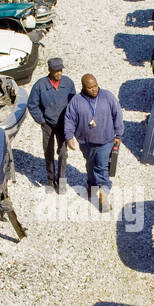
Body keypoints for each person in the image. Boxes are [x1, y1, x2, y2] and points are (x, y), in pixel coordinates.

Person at [64, 73, 123, 211]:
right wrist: (69, 137)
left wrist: (119, 134)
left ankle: (104, 192)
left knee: (102, 166)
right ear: (83, 87)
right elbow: (69, 119)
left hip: (105, 140)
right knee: (90, 165)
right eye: (90, 87)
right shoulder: (76, 101)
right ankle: (91, 186)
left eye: (95, 85)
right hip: (86, 142)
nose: (94, 89)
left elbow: (117, 114)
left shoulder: (107, 96)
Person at [27, 57, 76, 192]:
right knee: (48, 152)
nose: (59, 73)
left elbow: (73, 103)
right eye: (56, 71)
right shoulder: (40, 85)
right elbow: (32, 105)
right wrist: (42, 121)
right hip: (47, 124)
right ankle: (50, 180)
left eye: (60, 70)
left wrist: (71, 121)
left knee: (63, 153)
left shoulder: (68, 83)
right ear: (49, 70)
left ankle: (61, 181)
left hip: (63, 124)